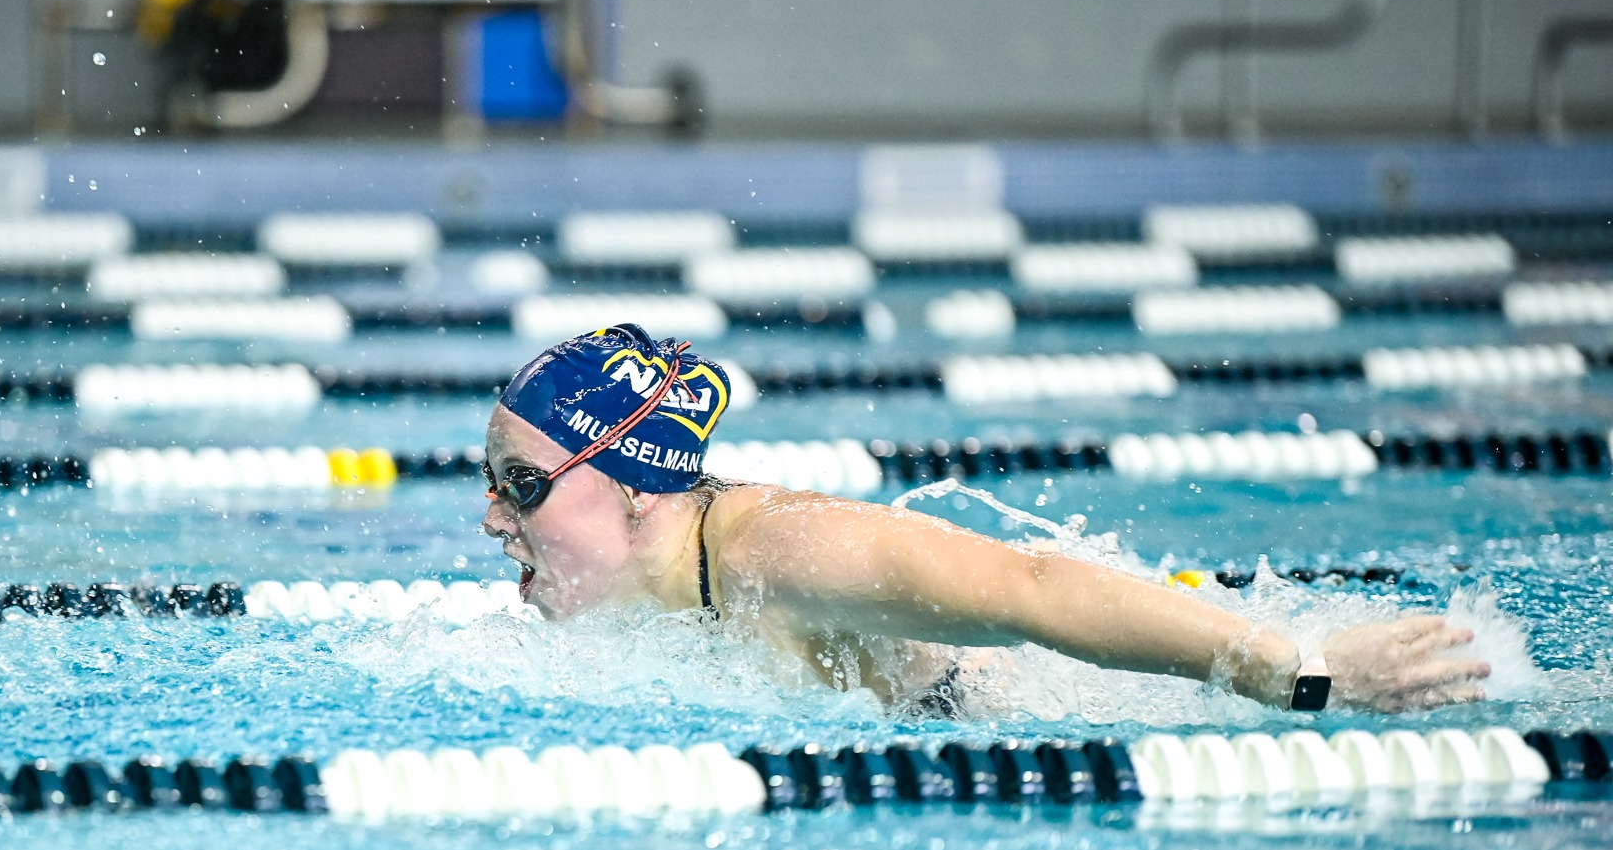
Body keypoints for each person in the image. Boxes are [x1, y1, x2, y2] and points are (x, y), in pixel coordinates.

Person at [479, 324, 1489, 716]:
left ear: (634, 486)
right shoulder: (652, 592)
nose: (491, 519)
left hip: (1048, 704)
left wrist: (1304, 673)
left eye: (521, 484)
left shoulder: (774, 550)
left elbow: (1029, 588)